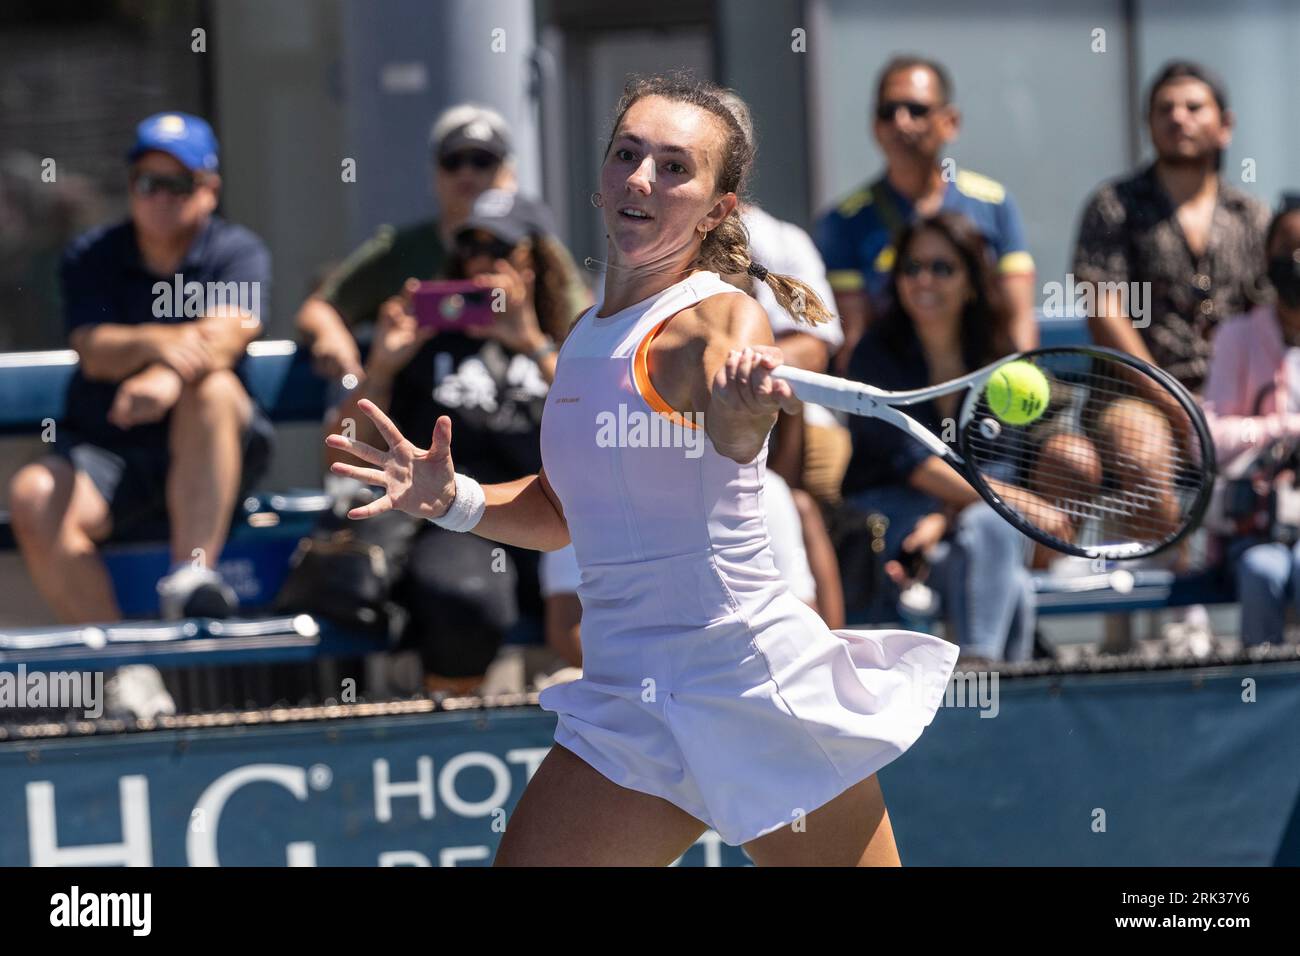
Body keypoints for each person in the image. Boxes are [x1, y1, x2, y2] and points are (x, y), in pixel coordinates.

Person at [326, 76, 958, 866]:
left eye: (674, 168)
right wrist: (453, 499)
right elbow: (564, 509)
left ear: (719, 208)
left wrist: (739, 401)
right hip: (628, 701)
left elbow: (730, 416)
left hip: (746, 683)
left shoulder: (717, 318)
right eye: (628, 155)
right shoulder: (583, 337)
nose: (640, 179)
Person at [8, 112, 274, 624]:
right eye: (147, 182)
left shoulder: (235, 250)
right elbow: (94, 347)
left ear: (209, 189)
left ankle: (191, 576)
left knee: (213, 389)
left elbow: (231, 332)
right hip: (111, 454)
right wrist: (166, 345)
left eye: (177, 183)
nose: (160, 197)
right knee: (34, 495)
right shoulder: (92, 253)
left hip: (212, 459)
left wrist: (166, 375)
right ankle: (125, 673)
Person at [322, 188, 573, 695]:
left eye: (500, 251)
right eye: (470, 250)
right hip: (460, 514)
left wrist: (533, 343)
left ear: (535, 262)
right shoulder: (428, 337)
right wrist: (384, 366)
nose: (482, 264)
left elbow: (601, 425)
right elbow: (339, 449)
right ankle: (455, 724)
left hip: (560, 508)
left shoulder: (572, 335)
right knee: (465, 596)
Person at [840, 211, 1038, 662]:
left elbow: (1002, 463)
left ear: (971, 281)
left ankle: (976, 671)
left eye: (942, 268)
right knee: (1013, 581)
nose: (923, 279)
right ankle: (990, 688)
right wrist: (1023, 506)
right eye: (912, 267)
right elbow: (907, 461)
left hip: (964, 521)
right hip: (888, 526)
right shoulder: (874, 353)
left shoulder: (996, 354)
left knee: (990, 532)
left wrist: (943, 518)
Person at [296, 103, 590, 385]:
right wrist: (338, 341)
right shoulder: (401, 248)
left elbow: (583, 327)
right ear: (434, 174)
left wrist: (534, 343)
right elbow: (323, 307)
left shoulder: (538, 243)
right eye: (453, 161)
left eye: (482, 161)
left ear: (509, 173)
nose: (467, 173)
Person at [816, 56, 1038, 375]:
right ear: (875, 125)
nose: (901, 122)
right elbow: (853, 338)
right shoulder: (843, 221)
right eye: (887, 111)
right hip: (895, 398)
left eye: (917, 110)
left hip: (987, 390)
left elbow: (1018, 319)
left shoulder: (995, 204)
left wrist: (1019, 391)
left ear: (951, 122)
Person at [1073, 60, 1270, 396]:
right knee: (1143, 448)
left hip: (1239, 393)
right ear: (1148, 125)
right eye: (1165, 109)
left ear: (1226, 126)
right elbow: (1102, 309)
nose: (1178, 118)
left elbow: (1269, 312)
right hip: (1137, 397)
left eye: (1194, 108)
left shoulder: (1252, 215)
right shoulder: (1113, 205)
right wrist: (1172, 401)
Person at [1202, 202, 1300, 646]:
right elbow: (1211, 438)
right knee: (1264, 571)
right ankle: (1261, 704)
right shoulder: (1237, 337)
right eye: (1288, 248)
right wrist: (1286, 429)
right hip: (1256, 529)